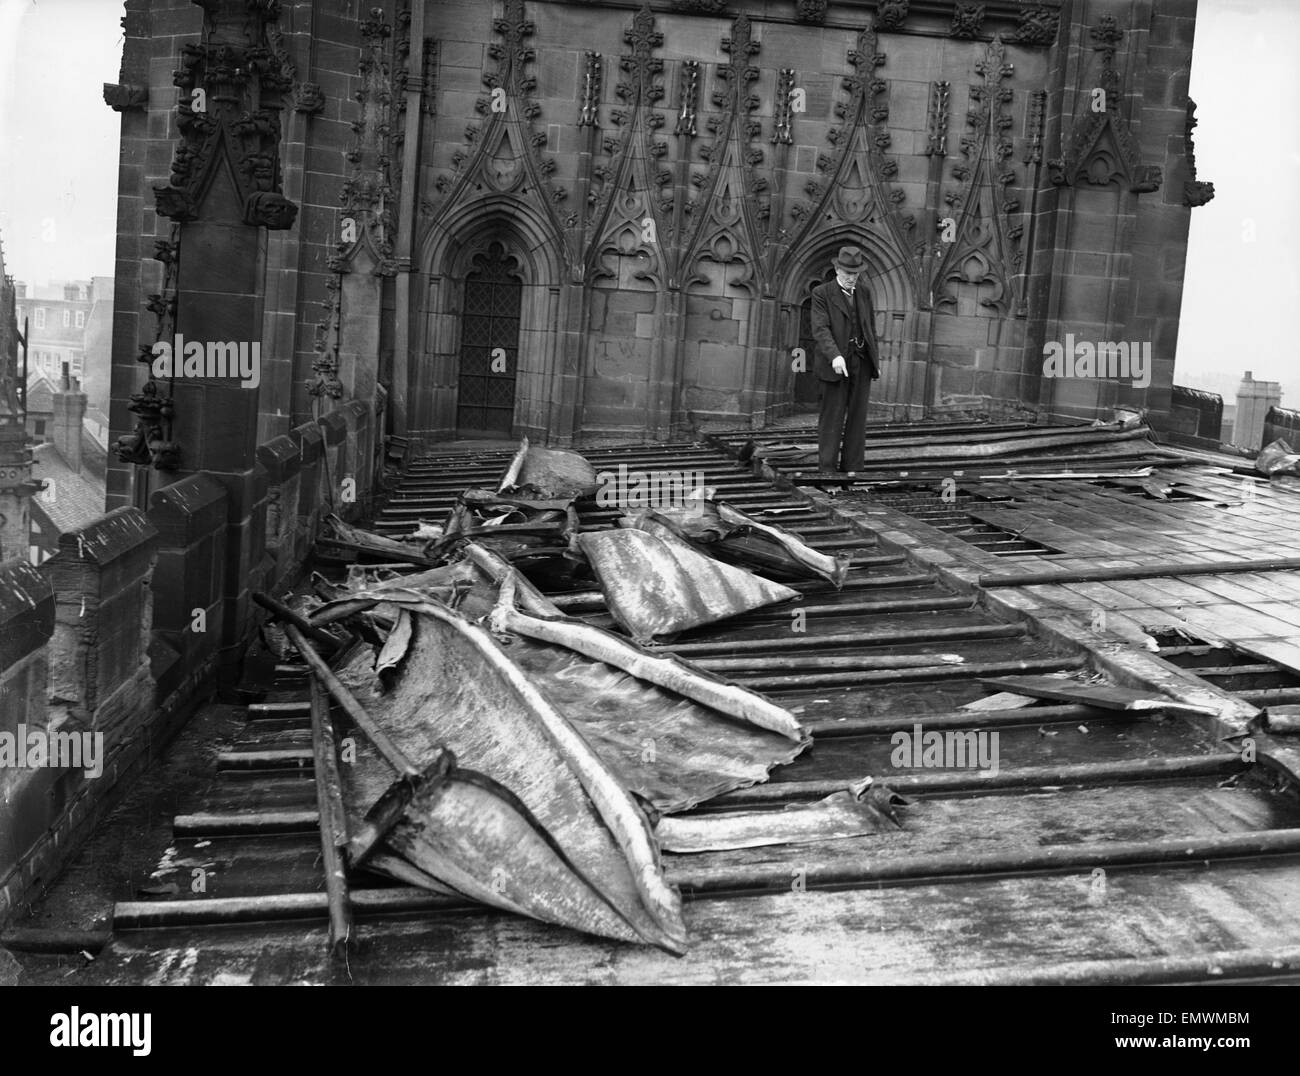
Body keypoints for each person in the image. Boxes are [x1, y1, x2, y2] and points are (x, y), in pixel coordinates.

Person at [809, 245, 881, 473]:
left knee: (858, 419)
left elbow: (869, 327)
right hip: (835, 365)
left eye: (856, 274)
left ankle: (853, 470)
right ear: (837, 270)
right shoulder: (821, 293)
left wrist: (874, 359)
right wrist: (835, 356)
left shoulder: (864, 292)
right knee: (832, 418)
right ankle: (827, 471)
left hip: (861, 361)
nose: (852, 278)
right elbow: (820, 329)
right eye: (848, 273)